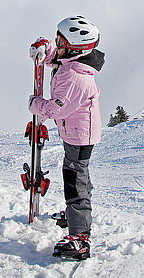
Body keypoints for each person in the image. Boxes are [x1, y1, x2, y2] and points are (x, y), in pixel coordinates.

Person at [29, 15, 104, 261]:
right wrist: (45, 49)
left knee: (75, 180)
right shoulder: (72, 62)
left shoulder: (75, 78)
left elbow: (55, 109)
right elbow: (59, 59)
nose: (57, 43)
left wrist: (35, 104)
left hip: (79, 136)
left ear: (73, 47)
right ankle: (75, 214)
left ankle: (80, 236)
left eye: (59, 41)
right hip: (74, 132)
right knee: (77, 175)